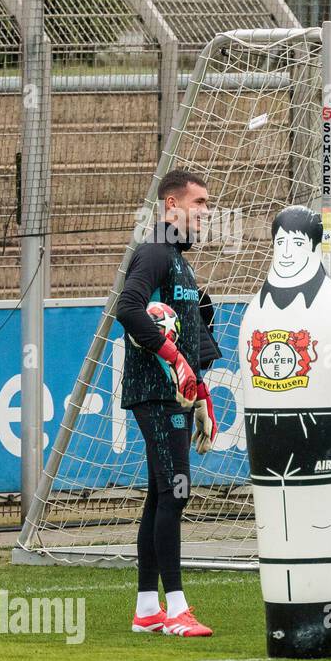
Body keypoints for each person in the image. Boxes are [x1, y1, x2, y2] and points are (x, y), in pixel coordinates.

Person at [116, 169, 221, 637]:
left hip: (174, 392)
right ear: (170, 206)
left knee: (163, 494)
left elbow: (191, 333)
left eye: (206, 204)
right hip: (155, 390)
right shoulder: (155, 252)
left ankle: (146, 609)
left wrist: (201, 393)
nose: (205, 212)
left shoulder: (180, 262)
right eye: (198, 203)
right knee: (177, 492)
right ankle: (177, 608)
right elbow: (129, 308)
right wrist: (174, 361)